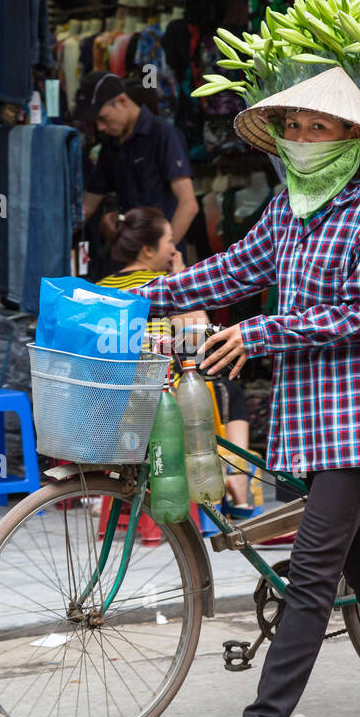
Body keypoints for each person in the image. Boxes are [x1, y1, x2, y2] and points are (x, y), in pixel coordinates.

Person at [126, 66, 360, 717]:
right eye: (296, 128)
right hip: (309, 417)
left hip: (356, 417)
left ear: (351, 138)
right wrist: (139, 296)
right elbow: (233, 271)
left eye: (320, 127)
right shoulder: (288, 206)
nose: (304, 139)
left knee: (312, 572)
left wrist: (259, 334)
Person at [97, 206, 254, 506]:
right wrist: (181, 275)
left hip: (115, 401)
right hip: (158, 400)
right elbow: (199, 340)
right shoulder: (165, 288)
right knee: (229, 390)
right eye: (169, 241)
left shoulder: (104, 286)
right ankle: (238, 486)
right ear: (147, 249)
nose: (173, 248)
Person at [75, 71, 200, 271]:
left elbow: (189, 205)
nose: (100, 127)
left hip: (163, 265)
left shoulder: (163, 134)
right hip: (128, 263)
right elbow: (88, 206)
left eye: (103, 118)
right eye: (95, 122)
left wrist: (164, 254)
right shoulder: (110, 145)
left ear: (122, 101)